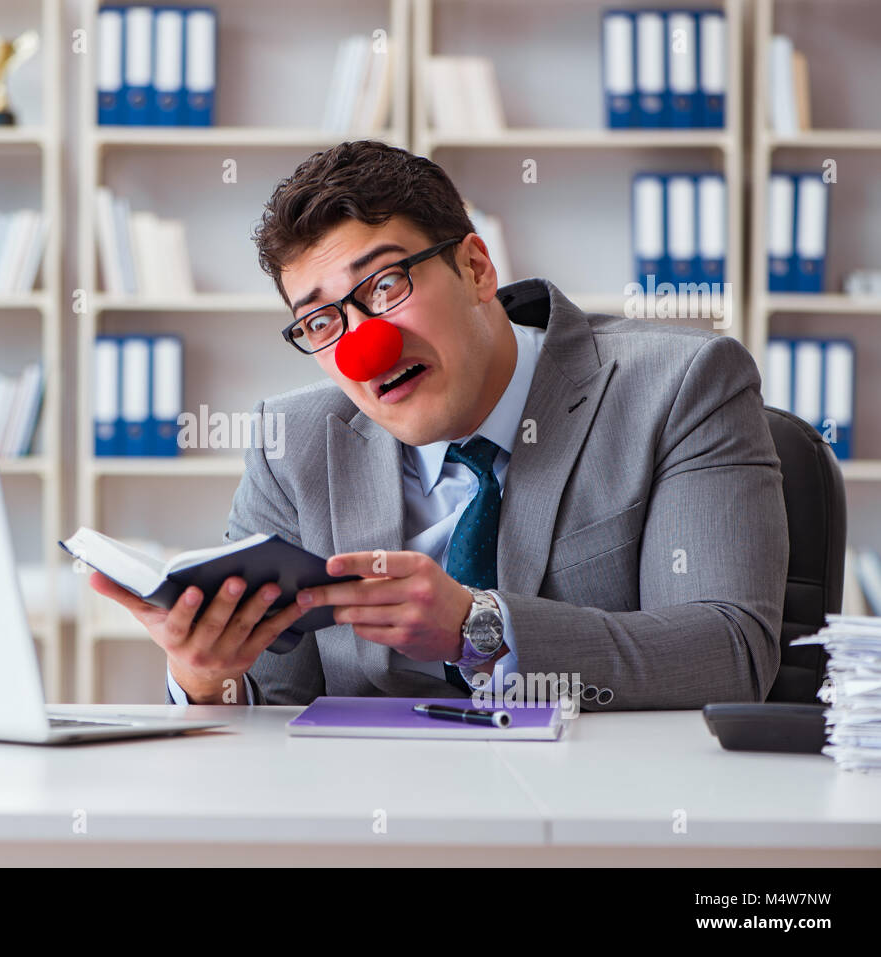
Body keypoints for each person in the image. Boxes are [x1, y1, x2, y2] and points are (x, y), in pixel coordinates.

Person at [90, 140, 789, 710]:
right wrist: (208, 678)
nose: (366, 347)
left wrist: (479, 627)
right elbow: (273, 707)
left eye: (387, 285)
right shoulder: (293, 445)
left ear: (476, 268)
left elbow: (729, 653)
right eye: (322, 320)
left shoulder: (681, 385)